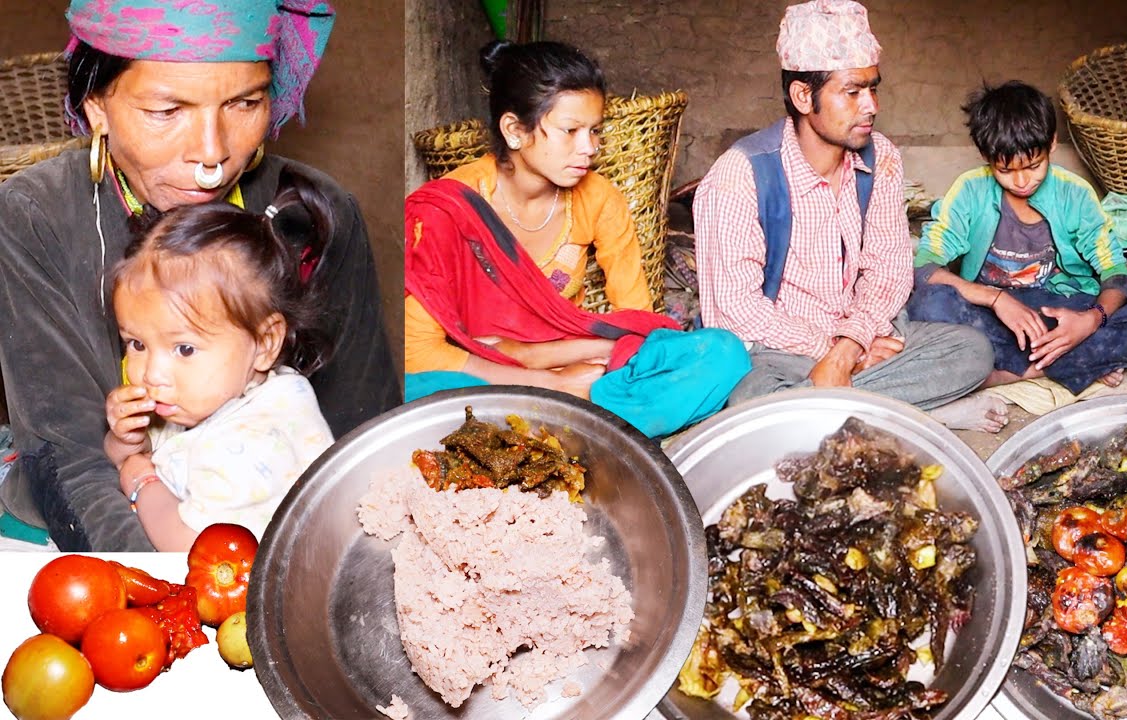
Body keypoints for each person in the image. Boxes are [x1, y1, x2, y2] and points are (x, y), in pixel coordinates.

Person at [0, 0, 400, 551]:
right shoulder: (33, 215)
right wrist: (173, 596)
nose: (212, 153)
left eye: (245, 102)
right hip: (95, 527)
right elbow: (67, 458)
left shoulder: (315, 214)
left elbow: (362, 439)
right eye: (167, 111)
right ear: (96, 107)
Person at [404, 40, 749, 438]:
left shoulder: (598, 198)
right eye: (570, 131)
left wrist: (544, 355)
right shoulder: (445, 210)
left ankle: (541, 428)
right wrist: (550, 383)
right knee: (410, 387)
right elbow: (418, 352)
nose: (589, 149)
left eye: (594, 131)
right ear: (515, 130)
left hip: (575, 363)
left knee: (723, 354)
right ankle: (585, 426)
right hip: (485, 372)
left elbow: (635, 323)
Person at [693, 0, 1002, 431]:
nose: (871, 105)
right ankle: (912, 414)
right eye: (852, 92)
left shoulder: (882, 159)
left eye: (874, 88)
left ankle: (831, 410)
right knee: (750, 393)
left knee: (971, 351)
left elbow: (890, 271)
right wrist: (828, 348)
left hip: (863, 334)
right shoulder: (740, 174)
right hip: (782, 347)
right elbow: (735, 309)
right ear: (804, 96)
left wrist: (850, 347)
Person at [105, 174, 334, 550]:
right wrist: (124, 440)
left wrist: (140, 482)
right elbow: (135, 452)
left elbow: (190, 550)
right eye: (136, 343)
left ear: (265, 342)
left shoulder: (251, 447)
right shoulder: (215, 389)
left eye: (184, 349)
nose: (152, 373)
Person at [907, 81, 1127, 397]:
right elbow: (925, 267)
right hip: (992, 315)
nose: (1023, 181)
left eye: (1034, 166)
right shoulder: (969, 190)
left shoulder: (1075, 194)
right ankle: (1060, 366)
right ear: (986, 156)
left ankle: (1002, 372)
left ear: (1051, 143)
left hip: (1058, 311)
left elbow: (1115, 273)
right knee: (927, 304)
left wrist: (1090, 322)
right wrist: (996, 299)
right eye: (1006, 171)